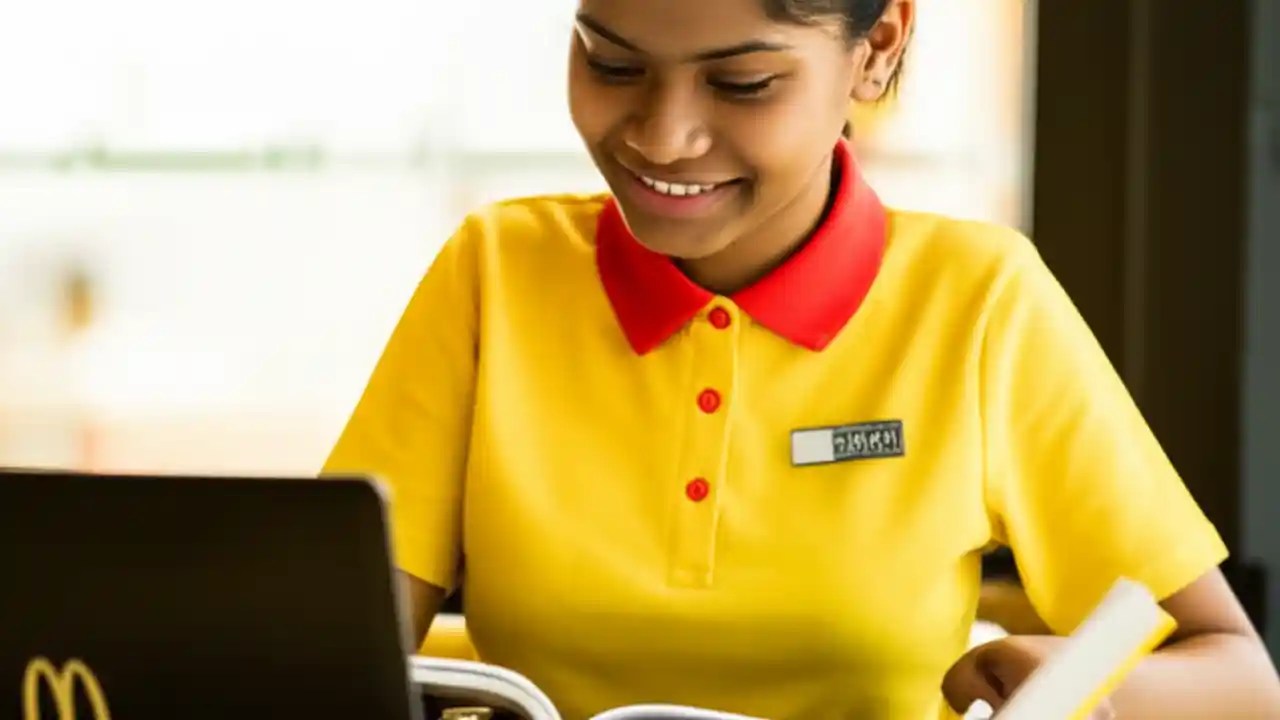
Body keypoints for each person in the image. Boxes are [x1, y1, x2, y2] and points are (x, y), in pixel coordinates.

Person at [323, 0, 1280, 717]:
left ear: (879, 48)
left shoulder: (979, 300)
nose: (663, 135)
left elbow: (1240, 678)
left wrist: (1093, 698)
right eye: (611, 62)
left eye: (742, 84)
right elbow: (329, 661)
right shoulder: (493, 273)